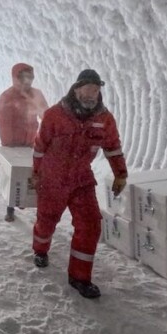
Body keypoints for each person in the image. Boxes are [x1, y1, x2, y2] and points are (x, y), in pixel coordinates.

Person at [31, 69, 127, 299]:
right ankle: (40, 249)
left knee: (91, 224)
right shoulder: (55, 115)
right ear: (76, 89)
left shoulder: (104, 119)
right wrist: (36, 173)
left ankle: (79, 277)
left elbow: (112, 147)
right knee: (47, 220)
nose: (91, 94)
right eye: (87, 89)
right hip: (53, 178)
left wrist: (120, 174)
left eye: (95, 90)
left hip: (81, 180)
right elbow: (40, 145)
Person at [0, 63, 49, 222]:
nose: (27, 81)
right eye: (23, 77)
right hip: (13, 144)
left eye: (29, 77)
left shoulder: (36, 95)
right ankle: (10, 208)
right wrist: (9, 145)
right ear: (15, 78)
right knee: (14, 176)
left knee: (35, 175)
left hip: (32, 142)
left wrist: (46, 136)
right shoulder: (7, 97)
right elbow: (4, 122)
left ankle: (37, 208)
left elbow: (46, 116)